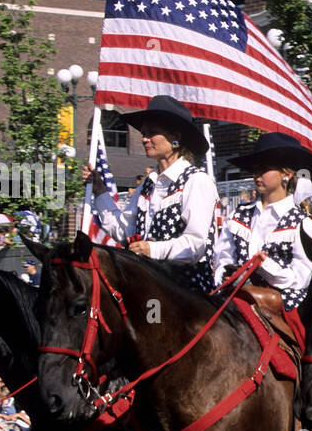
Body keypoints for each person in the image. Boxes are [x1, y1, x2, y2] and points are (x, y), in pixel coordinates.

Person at [85, 95, 220, 293]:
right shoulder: (148, 186)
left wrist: (151, 249)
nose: (144, 139)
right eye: (144, 133)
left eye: (152, 133)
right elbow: (124, 231)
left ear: (176, 138)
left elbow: (194, 245)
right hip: (152, 288)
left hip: (187, 293)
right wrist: (100, 192)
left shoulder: (197, 181)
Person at [217, 132, 312, 322]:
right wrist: (225, 275)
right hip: (235, 299)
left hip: (282, 308)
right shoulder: (238, 216)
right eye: (255, 169)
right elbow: (223, 254)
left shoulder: (302, 223)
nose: (257, 175)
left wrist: (266, 266)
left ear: (286, 174)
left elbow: (303, 279)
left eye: (264, 169)